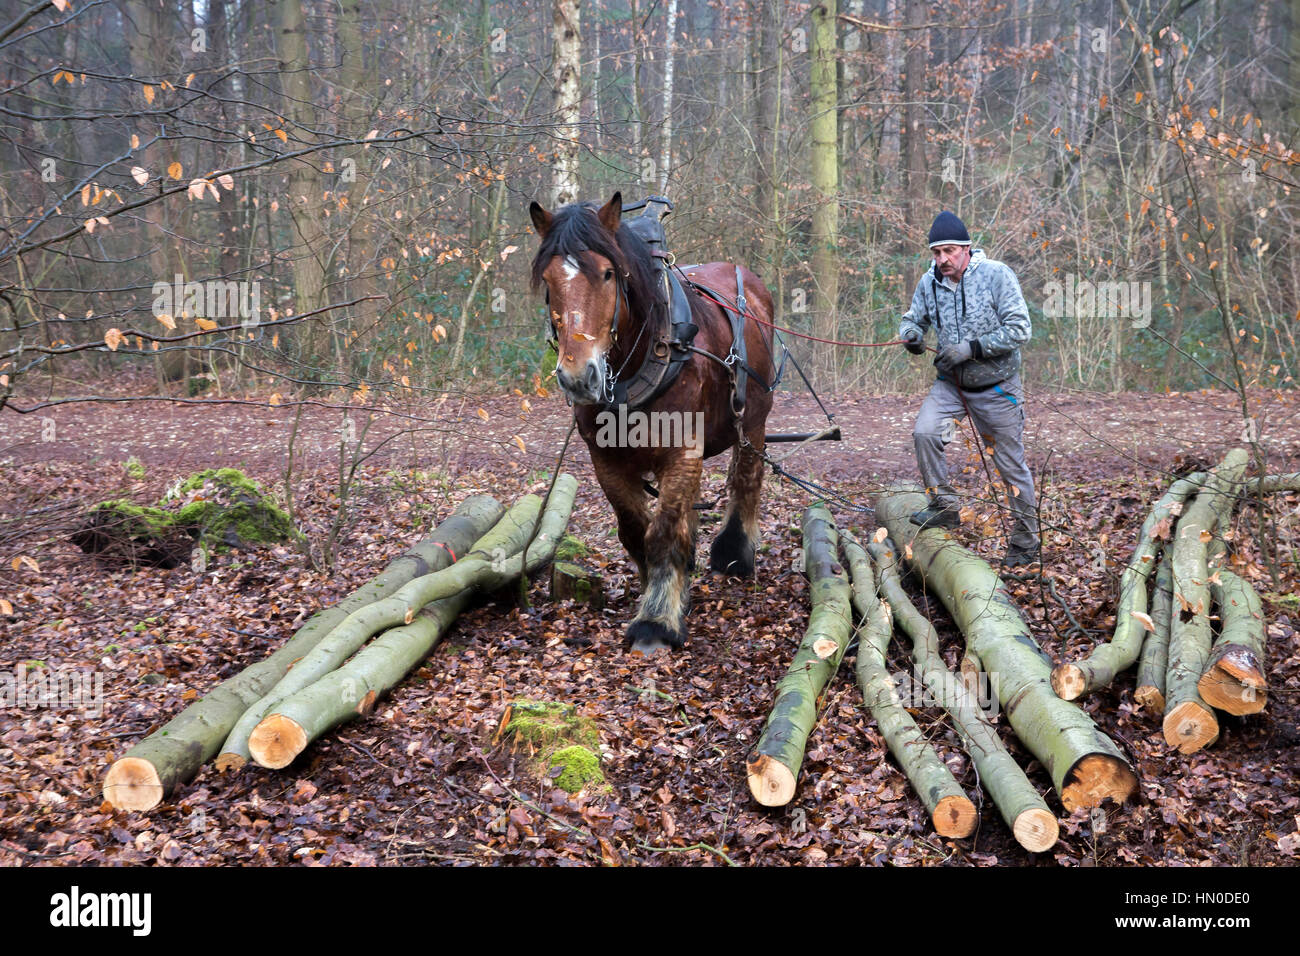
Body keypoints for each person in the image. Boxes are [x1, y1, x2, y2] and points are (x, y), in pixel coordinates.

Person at [898, 210, 1040, 566]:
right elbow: (913, 318)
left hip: (997, 388)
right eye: (936, 253)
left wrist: (972, 348)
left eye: (948, 251)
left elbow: (1021, 329)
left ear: (966, 248)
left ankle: (1025, 543)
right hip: (951, 387)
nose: (942, 259)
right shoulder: (929, 282)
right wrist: (911, 336)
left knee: (1010, 466)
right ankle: (944, 507)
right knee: (926, 433)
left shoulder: (996, 276)